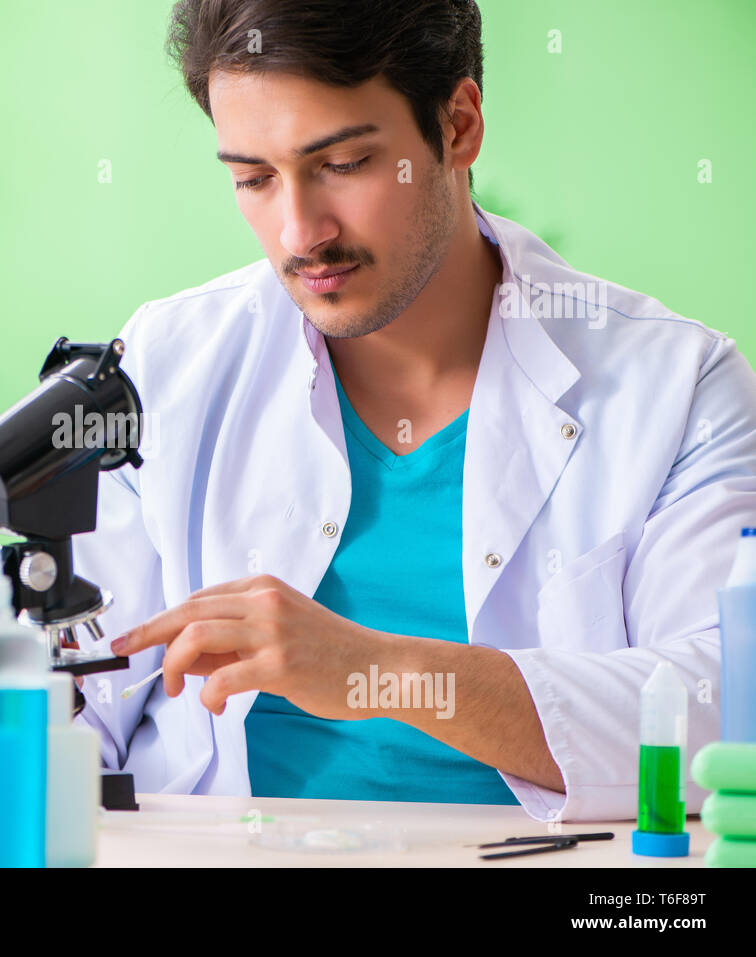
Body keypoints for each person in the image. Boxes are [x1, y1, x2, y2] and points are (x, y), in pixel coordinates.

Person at [70, 0, 756, 822]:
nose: (299, 231)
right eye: (252, 178)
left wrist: (378, 670)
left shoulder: (676, 385)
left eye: (346, 163)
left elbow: (726, 713)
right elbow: (83, 693)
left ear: (458, 126)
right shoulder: (161, 366)